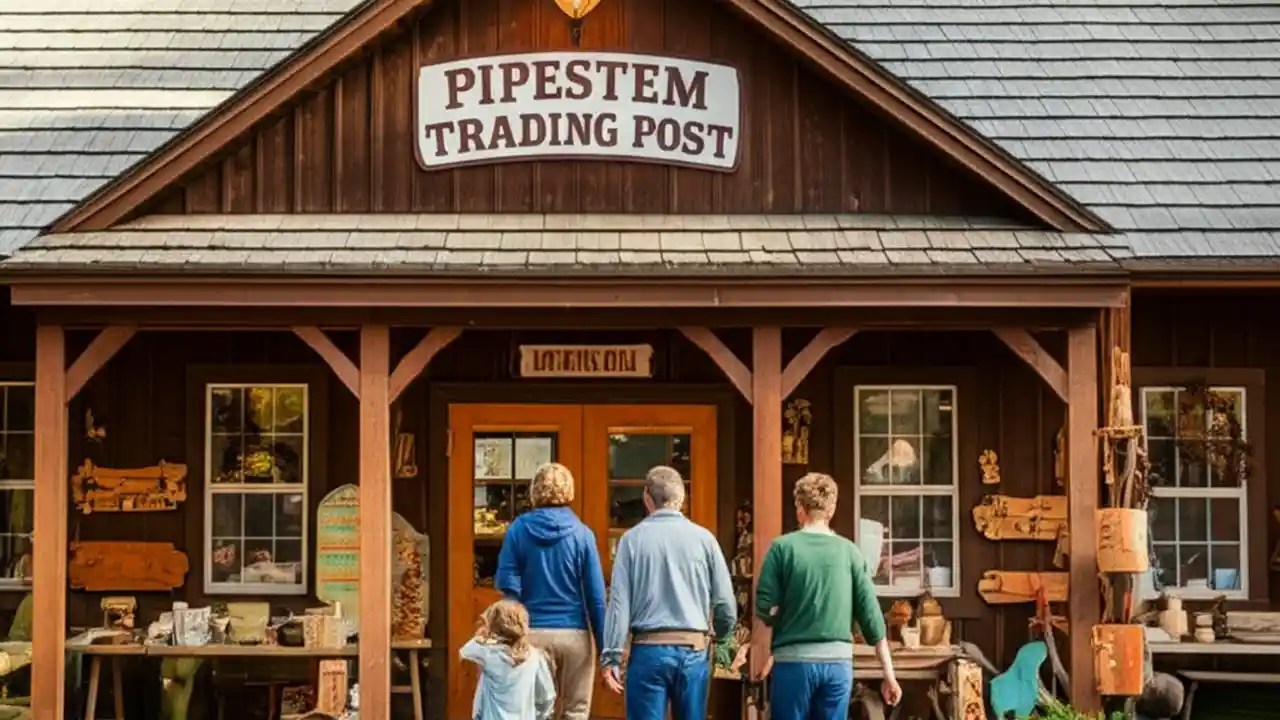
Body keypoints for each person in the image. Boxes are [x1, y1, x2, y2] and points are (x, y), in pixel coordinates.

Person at [755, 472, 902, 720]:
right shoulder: (850, 552)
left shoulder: (781, 548)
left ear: (799, 508)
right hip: (837, 665)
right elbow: (872, 617)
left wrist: (763, 657)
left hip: (793, 664)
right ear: (831, 510)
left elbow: (765, 608)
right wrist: (889, 674)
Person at [600, 465, 736, 720]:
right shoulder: (705, 540)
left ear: (647, 498)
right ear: (682, 499)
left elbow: (619, 604)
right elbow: (725, 602)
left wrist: (612, 656)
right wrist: (721, 635)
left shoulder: (631, 540)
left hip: (648, 649)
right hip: (693, 648)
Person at [496, 462, 606, 720]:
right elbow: (596, 598)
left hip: (531, 634)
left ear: (534, 490)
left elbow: (507, 584)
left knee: (533, 712)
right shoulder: (583, 535)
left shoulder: (518, 530)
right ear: (570, 490)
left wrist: (508, 637)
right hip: (575, 636)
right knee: (575, 712)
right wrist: (605, 649)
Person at [460, 599, 557, 720]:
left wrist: (484, 633)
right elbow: (546, 699)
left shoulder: (487, 653)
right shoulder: (535, 657)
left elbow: (465, 651)